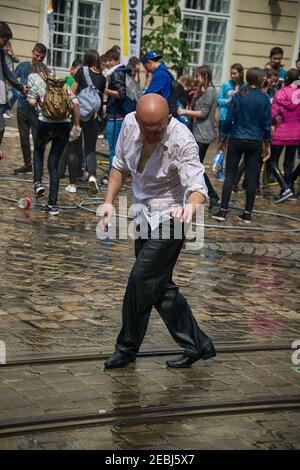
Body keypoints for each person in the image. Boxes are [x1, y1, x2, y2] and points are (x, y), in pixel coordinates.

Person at [96, 93, 216, 369]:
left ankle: (126, 348)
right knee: (158, 286)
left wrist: (190, 210)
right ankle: (198, 345)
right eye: (146, 128)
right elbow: (118, 167)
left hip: (174, 213)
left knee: (141, 278)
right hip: (141, 211)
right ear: (137, 120)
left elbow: (198, 186)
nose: (153, 134)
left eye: (158, 128)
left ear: (169, 119)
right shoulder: (128, 124)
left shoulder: (182, 138)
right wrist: (108, 202)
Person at [212, 67, 271, 224]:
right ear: (260, 80)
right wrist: (268, 144)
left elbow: (229, 119)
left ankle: (223, 211)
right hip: (255, 141)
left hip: (236, 138)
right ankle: (247, 213)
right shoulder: (264, 98)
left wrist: (223, 137)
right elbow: (267, 123)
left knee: (230, 176)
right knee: (252, 178)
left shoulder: (239, 95)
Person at [27, 62, 80, 215]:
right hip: (64, 124)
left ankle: (37, 183)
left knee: (38, 150)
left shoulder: (34, 78)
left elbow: (31, 101)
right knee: (53, 163)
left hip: (45, 123)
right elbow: (76, 103)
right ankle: (53, 205)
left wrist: (36, 100)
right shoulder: (59, 81)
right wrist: (76, 125)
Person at [177, 65, 219, 209]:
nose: (196, 79)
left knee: (197, 166)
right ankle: (209, 194)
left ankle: (212, 195)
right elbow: (194, 104)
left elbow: (203, 113)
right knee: (195, 165)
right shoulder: (202, 91)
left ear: (205, 76)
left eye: (198, 76)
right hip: (198, 132)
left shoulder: (210, 91)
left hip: (204, 134)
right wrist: (197, 92)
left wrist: (183, 111)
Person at [65, 50, 105, 194]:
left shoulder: (82, 71)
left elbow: (72, 92)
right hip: (93, 118)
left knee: (73, 149)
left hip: (78, 117)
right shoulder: (102, 77)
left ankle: (72, 184)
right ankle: (93, 177)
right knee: (90, 149)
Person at [14, 42, 47, 174]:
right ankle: (27, 164)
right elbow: (10, 78)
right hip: (22, 107)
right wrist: (19, 90)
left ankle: (38, 165)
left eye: (41, 57)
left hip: (36, 110)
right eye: (37, 55)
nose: (38, 59)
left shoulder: (44, 69)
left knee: (38, 138)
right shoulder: (23, 66)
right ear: (32, 52)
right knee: (24, 138)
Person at [269, 68, 300, 203]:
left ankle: (284, 188)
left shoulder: (280, 93)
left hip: (280, 132)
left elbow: (273, 115)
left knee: (272, 162)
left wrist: (273, 123)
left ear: (286, 79)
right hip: (296, 133)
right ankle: (287, 190)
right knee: (289, 163)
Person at [102, 47, 132, 185]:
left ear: (116, 61)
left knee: (114, 149)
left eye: (110, 60)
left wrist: (106, 90)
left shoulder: (116, 74)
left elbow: (121, 93)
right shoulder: (122, 72)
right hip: (120, 115)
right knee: (118, 149)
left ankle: (110, 177)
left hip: (116, 116)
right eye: (106, 60)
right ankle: (116, 176)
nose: (107, 63)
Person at [216, 63, 245, 182]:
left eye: (235, 73)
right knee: (222, 145)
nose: (233, 75)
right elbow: (219, 100)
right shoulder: (225, 85)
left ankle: (230, 171)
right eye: (231, 73)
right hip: (225, 117)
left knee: (233, 148)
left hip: (238, 120)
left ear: (241, 73)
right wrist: (228, 101)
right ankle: (219, 170)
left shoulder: (244, 86)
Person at [0, 22, 25, 146]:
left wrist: (21, 87)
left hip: (0, 98)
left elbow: (7, 72)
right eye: (4, 40)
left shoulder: (1, 53)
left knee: (1, 129)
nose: (5, 44)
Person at [3, 40, 19, 118]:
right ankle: (4, 111)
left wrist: (12, 51)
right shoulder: (2, 55)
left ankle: (7, 109)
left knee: (16, 94)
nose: (7, 48)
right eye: (6, 46)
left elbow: (17, 60)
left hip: (11, 79)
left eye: (8, 47)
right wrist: (6, 79)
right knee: (4, 95)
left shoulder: (9, 56)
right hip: (5, 79)